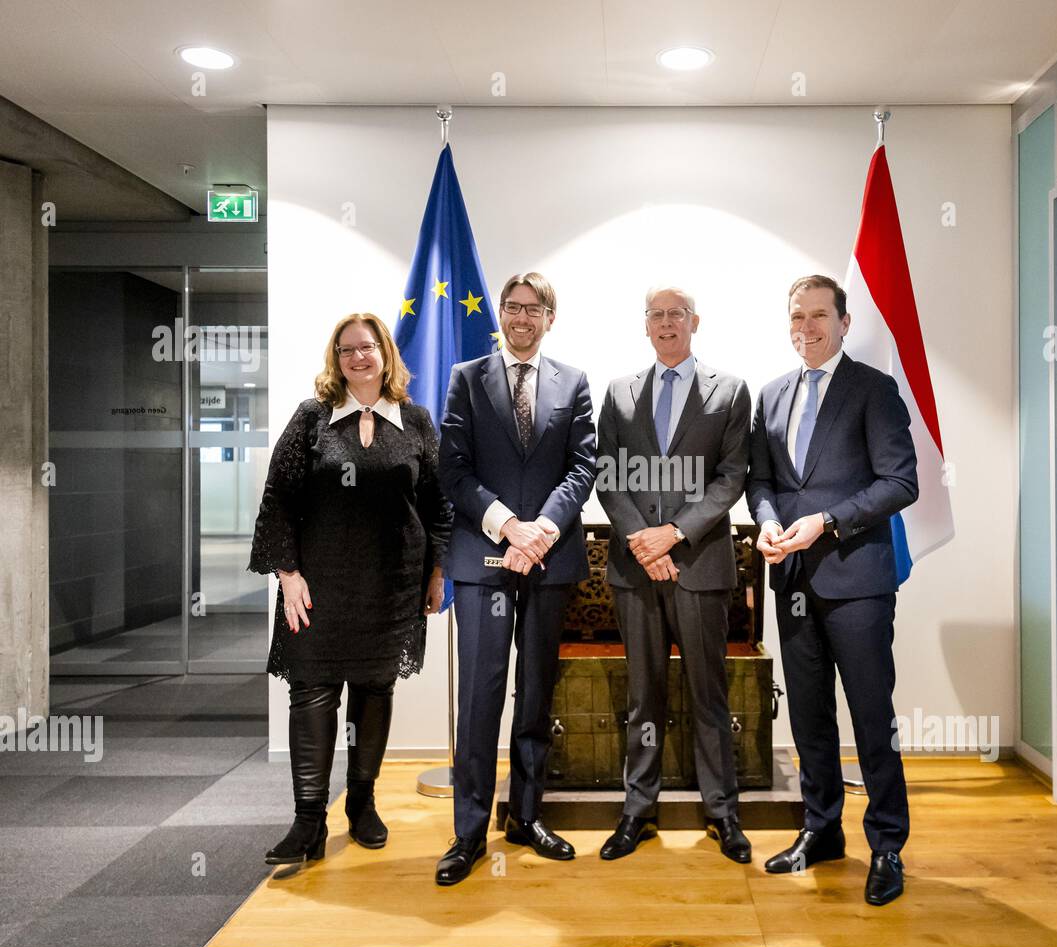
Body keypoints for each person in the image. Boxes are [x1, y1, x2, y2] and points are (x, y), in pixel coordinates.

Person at [248, 312, 452, 867]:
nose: (357, 357)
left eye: (366, 347)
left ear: (385, 353)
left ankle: (361, 803)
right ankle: (308, 821)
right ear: (335, 360)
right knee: (311, 692)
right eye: (346, 350)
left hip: (392, 585)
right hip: (318, 584)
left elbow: (438, 503)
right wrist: (288, 574)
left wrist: (437, 571)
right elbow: (278, 498)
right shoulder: (312, 417)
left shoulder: (415, 421)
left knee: (373, 690)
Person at [746, 274, 918, 905]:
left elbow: (901, 482)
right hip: (792, 581)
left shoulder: (874, 389)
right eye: (798, 316)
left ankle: (888, 846)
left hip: (858, 581)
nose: (807, 327)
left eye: (820, 315)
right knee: (809, 715)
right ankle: (821, 829)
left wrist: (828, 520)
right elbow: (761, 480)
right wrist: (767, 522)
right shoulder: (771, 394)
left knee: (872, 716)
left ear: (844, 323)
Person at [435, 272, 597, 886]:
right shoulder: (466, 378)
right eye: (512, 307)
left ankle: (526, 817)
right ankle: (469, 832)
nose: (521, 317)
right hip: (484, 558)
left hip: (548, 561)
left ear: (550, 317)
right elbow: (453, 470)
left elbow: (583, 467)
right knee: (479, 698)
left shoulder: (573, 382)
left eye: (533, 308)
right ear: (500, 313)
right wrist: (509, 527)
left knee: (535, 696)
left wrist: (542, 532)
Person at [595, 286, 753, 863]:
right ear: (646, 325)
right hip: (636, 570)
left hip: (700, 566)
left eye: (676, 314)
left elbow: (731, 477)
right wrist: (644, 542)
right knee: (644, 696)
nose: (666, 323)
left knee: (709, 694)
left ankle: (722, 813)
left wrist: (674, 534)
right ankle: (637, 810)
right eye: (656, 315)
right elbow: (607, 474)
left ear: (695, 322)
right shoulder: (618, 392)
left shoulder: (729, 391)